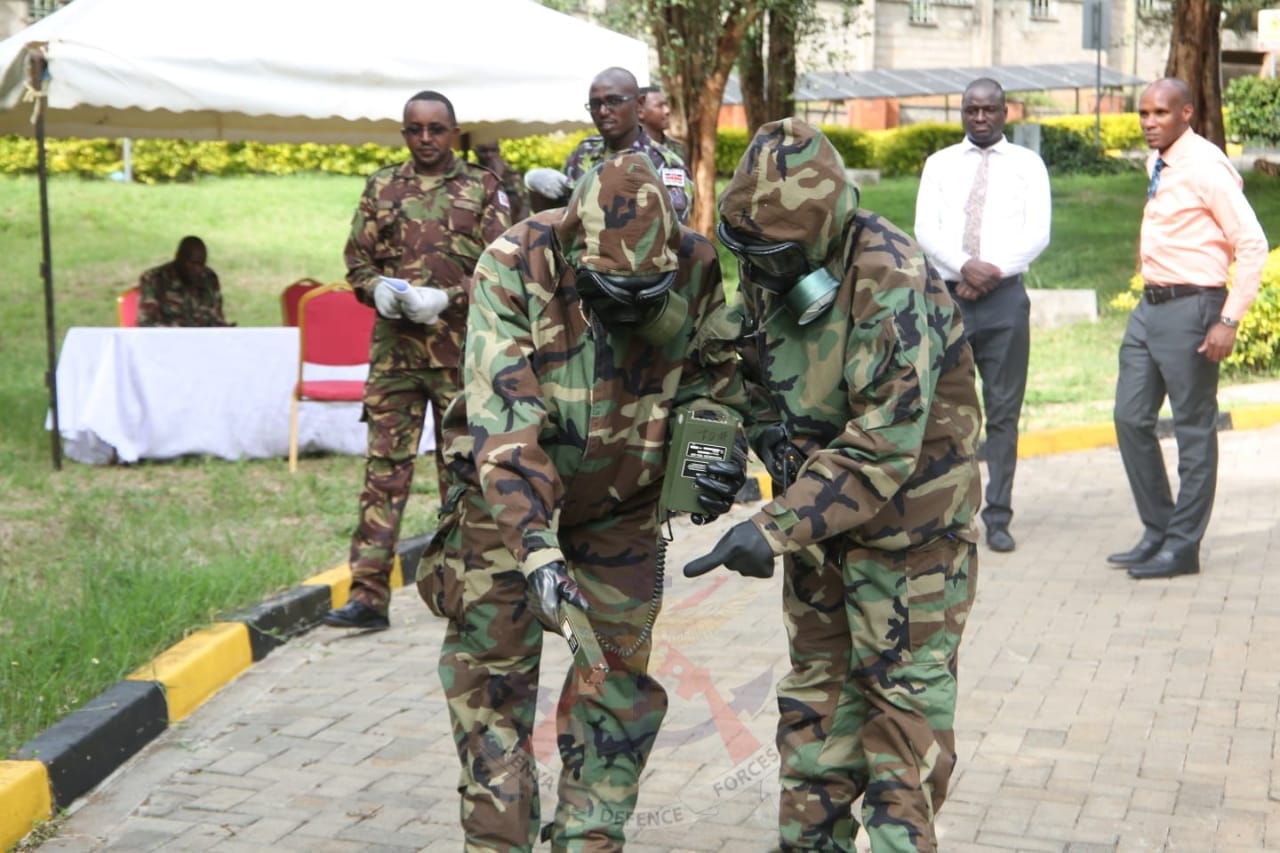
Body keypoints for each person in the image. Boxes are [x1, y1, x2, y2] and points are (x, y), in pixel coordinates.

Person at [419, 154, 749, 850]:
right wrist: (536, 551)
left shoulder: (694, 262)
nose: (630, 309)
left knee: (616, 686)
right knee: (491, 689)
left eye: (646, 293)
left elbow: (712, 376)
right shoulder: (513, 262)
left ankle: (590, 839)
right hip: (503, 506)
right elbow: (504, 427)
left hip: (622, 503)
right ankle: (498, 840)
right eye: (611, 291)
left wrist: (711, 454)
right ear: (577, 250)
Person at [685, 118, 982, 852]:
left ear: (821, 231)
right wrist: (717, 438)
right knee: (815, 729)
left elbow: (882, 446)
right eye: (744, 252)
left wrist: (772, 526)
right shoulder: (768, 265)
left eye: (773, 255)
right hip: (822, 540)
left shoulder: (891, 275)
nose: (756, 270)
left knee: (898, 747)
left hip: (907, 551)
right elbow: (734, 367)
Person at [322, 90, 511, 630]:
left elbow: (503, 269)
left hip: (457, 356)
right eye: (414, 129)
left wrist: (449, 299)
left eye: (436, 129)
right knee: (384, 475)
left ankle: (461, 592)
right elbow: (357, 260)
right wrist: (374, 289)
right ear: (403, 133)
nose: (425, 139)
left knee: (460, 475)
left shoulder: (482, 187)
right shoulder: (383, 186)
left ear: (454, 132)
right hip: (395, 358)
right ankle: (368, 595)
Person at [1109, 77, 1269, 580]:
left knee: (1193, 430)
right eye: (1143, 114)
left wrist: (1228, 319)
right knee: (1130, 417)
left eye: (1160, 113)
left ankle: (1183, 547)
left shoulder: (1207, 166)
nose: (1150, 122)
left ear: (1187, 114)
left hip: (1194, 309)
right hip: (1150, 306)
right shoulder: (1156, 161)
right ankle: (1158, 529)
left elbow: (1253, 244)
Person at [914, 77, 1051, 553]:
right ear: (962, 112)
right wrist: (963, 268)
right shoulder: (939, 164)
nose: (980, 118)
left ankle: (998, 515)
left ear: (1005, 112)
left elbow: (1038, 232)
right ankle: (949, 511)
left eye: (989, 110)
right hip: (948, 299)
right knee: (945, 409)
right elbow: (925, 229)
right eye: (971, 110)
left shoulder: (1028, 166)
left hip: (1005, 301)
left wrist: (990, 272)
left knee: (1003, 412)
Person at [562, 66, 692, 222]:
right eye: (595, 104)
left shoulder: (666, 164)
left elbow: (671, 228)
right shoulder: (584, 153)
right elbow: (561, 216)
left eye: (614, 101)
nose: (603, 111)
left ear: (639, 103)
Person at [136, 236, 232, 327]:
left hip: (204, 342)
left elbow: (217, 319)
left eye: (201, 264)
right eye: (193, 264)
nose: (198, 270)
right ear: (179, 257)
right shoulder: (155, 279)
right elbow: (147, 324)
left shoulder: (209, 278)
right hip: (169, 341)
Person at [474, 139, 527, 222]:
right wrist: (497, 175)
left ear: (499, 151)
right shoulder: (470, 173)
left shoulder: (511, 173)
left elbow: (524, 205)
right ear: (476, 152)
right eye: (484, 151)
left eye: (493, 150)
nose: (489, 155)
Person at [638, 84, 686, 161]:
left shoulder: (678, 149)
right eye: (659, 106)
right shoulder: (629, 150)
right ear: (640, 111)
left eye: (666, 104)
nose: (667, 110)